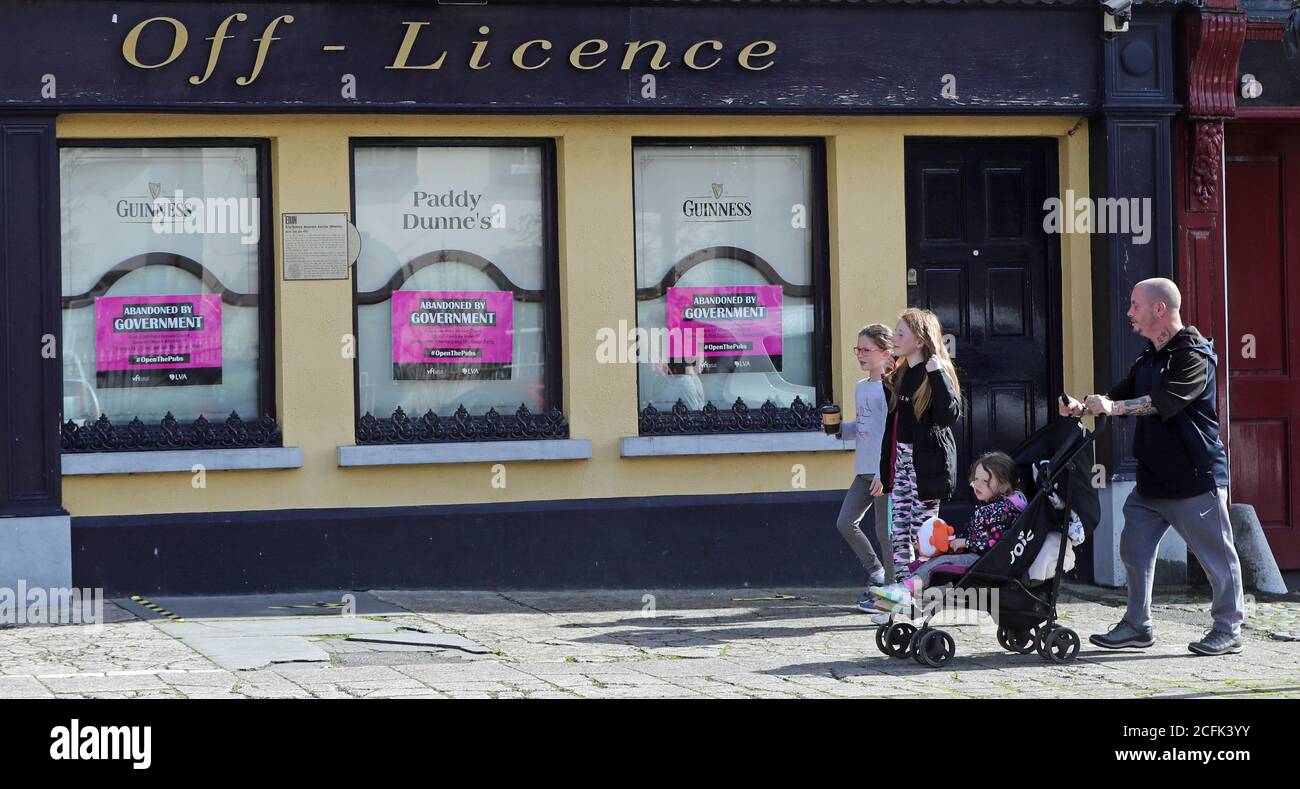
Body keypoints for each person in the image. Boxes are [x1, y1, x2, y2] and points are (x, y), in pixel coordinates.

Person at [1061, 277, 1245, 656]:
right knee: (1133, 547)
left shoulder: (1193, 356)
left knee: (1216, 557)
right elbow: (1121, 394)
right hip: (1152, 481)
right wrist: (1087, 406)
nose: (1129, 312)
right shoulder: (1148, 357)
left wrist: (1114, 408)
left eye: (1134, 305)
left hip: (1195, 478)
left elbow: (1161, 402)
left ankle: (1229, 628)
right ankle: (1137, 625)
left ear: (1159, 309)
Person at [871, 308, 962, 586]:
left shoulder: (934, 371)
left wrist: (937, 375)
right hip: (901, 461)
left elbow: (949, 415)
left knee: (920, 534)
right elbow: (893, 421)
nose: (894, 338)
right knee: (897, 531)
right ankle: (902, 588)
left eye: (901, 333)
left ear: (920, 340)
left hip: (927, 466)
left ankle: (921, 587)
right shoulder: (902, 373)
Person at [869, 452, 1026, 607]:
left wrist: (966, 542)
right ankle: (904, 595)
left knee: (939, 563)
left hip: (986, 562)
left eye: (985, 481)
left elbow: (993, 543)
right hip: (978, 556)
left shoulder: (1002, 510)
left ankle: (904, 591)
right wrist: (953, 542)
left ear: (1004, 485)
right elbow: (978, 533)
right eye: (976, 479)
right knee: (931, 561)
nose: (977, 484)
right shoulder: (991, 505)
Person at [829, 324, 896, 611]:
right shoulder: (861, 388)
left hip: (883, 473)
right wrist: (838, 430)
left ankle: (892, 592)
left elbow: (890, 435)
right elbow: (865, 427)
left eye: (866, 350)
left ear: (885, 353)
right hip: (864, 470)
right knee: (845, 522)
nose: (860, 355)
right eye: (858, 349)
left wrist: (884, 474)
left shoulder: (889, 390)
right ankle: (878, 572)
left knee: (886, 532)